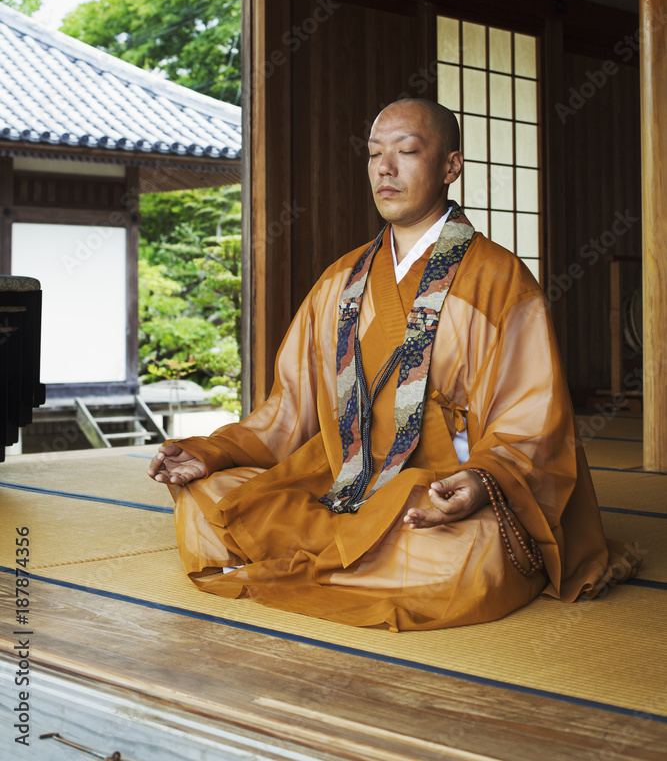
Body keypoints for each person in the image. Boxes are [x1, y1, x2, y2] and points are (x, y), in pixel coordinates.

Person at [148, 97, 637, 631]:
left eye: (406, 151)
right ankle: (340, 561)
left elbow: (532, 427)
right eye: (375, 154)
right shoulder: (339, 282)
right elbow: (288, 412)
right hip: (343, 485)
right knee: (207, 497)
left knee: (469, 556)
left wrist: (479, 482)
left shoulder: (500, 281)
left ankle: (301, 561)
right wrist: (211, 451)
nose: (385, 167)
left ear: (450, 166)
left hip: (437, 497)